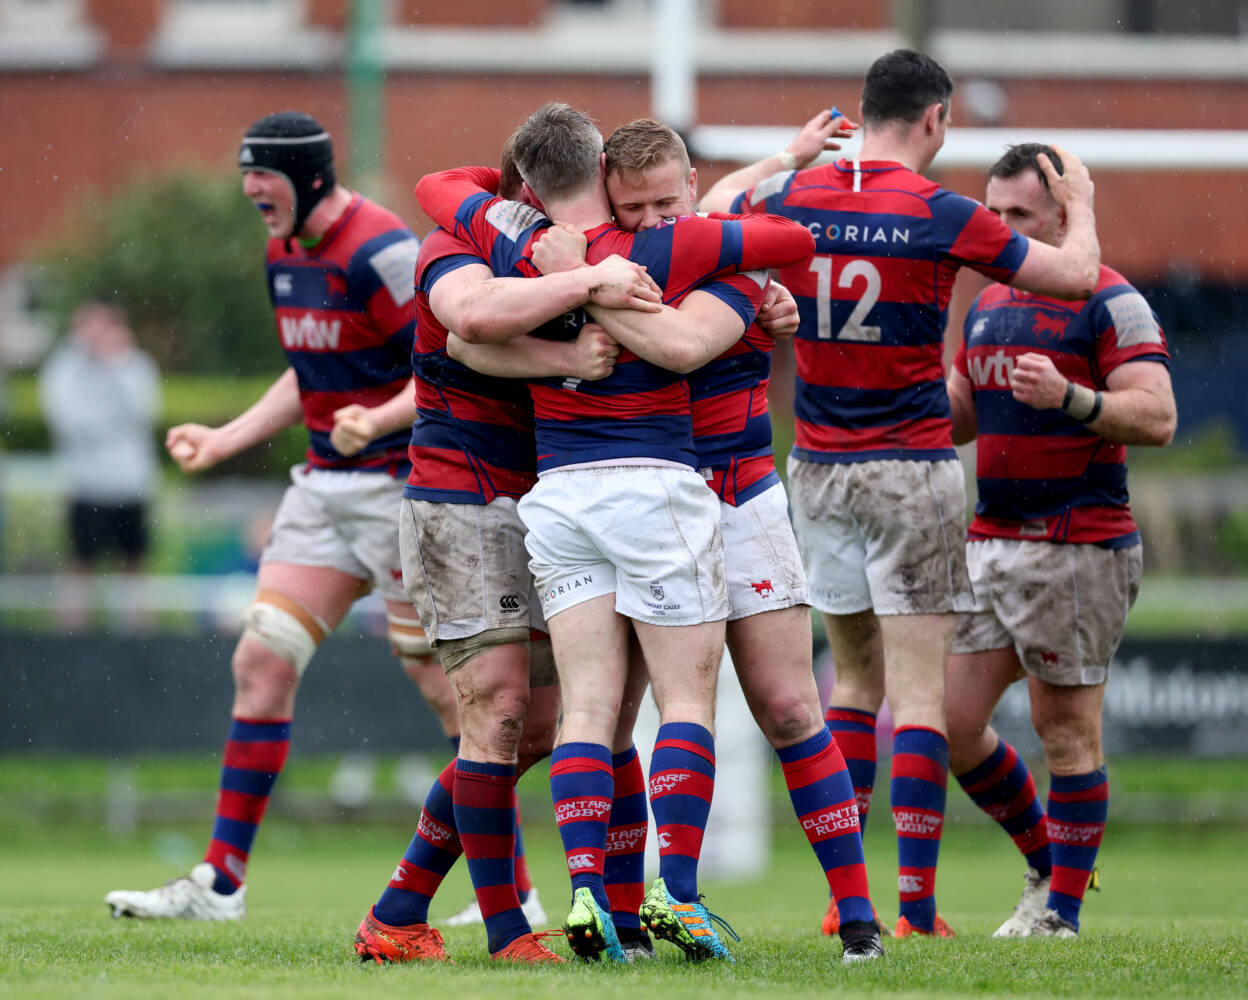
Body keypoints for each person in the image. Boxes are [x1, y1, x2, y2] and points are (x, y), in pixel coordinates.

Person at [700, 49, 1102, 937]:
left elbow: (712, 208)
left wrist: (786, 157)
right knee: (918, 698)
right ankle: (916, 908)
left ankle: (847, 902)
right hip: (910, 467)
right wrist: (1083, 209)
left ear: (862, 113)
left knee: (851, 683)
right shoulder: (939, 211)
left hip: (815, 467)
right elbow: (1076, 278)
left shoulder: (798, 199)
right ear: (935, 120)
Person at [415, 102, 815, 963]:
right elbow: (789, 242)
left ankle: (589, 896)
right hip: (656, 490)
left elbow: (465, 322)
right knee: (685, 702)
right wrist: (648, 269)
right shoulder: (664, 246)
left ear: (525, 182)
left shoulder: (500, 245)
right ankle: (676, 891)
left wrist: (555, 283)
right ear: (606, 172)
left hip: (554, 497)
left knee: (584, 711)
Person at [531, 116, 883, 964]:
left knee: (791, 705)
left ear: (692, 189)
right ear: (609, 194)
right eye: (634, 205)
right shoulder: (624, 251)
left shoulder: (718, 249)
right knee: (614, 714)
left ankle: (857, 917)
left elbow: (691, 338)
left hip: (740, 495)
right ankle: (629, 920)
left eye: (665, 202)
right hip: (647, 498)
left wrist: (590, 287)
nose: (651, 221)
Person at [103, 111, 455, 922]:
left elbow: (445, 364)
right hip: (324, 490)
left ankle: (513, 892)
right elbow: (312, 370)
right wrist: (226, 437)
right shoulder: (282, 253)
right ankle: (220, 882)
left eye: (263, 176)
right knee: (261, 664)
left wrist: (381, 419)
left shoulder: (383, 250)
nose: (251, 191)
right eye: (246, 176)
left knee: (452, 696)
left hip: (407, 490)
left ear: (312, 176)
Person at [353, 138, 659, 966]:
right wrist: (579, 309)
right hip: (460, 497)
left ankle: (400, 911)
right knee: (496, 712)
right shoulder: (457, 243)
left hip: (555, 505)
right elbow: (469, 326)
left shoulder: (606, 240)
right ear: (522, 191)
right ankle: (508, 936)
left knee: (553, 727)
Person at [944, 143, 1175, 939]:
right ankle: (1049, 864)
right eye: (994, 213)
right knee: (949, 722)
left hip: (1077, 545)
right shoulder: (989, 300)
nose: (1004, 229)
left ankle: (1061, 916)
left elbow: (1158, 416)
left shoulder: (1111, 300)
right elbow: (967, 416)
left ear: (1063, 217)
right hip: (989, 541)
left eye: (1020, 215)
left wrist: (1073, 398)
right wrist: (900, 389)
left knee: (1066, 733)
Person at [39, 301, 160, 630]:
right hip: (86, 486)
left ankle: (137, 640)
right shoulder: (64, 368)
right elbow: (65, 420)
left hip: (130, 483)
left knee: (133, 563)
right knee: (80, 564)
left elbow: (143, 413)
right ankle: (70, 643)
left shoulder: (134, 365)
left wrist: (115, 366)